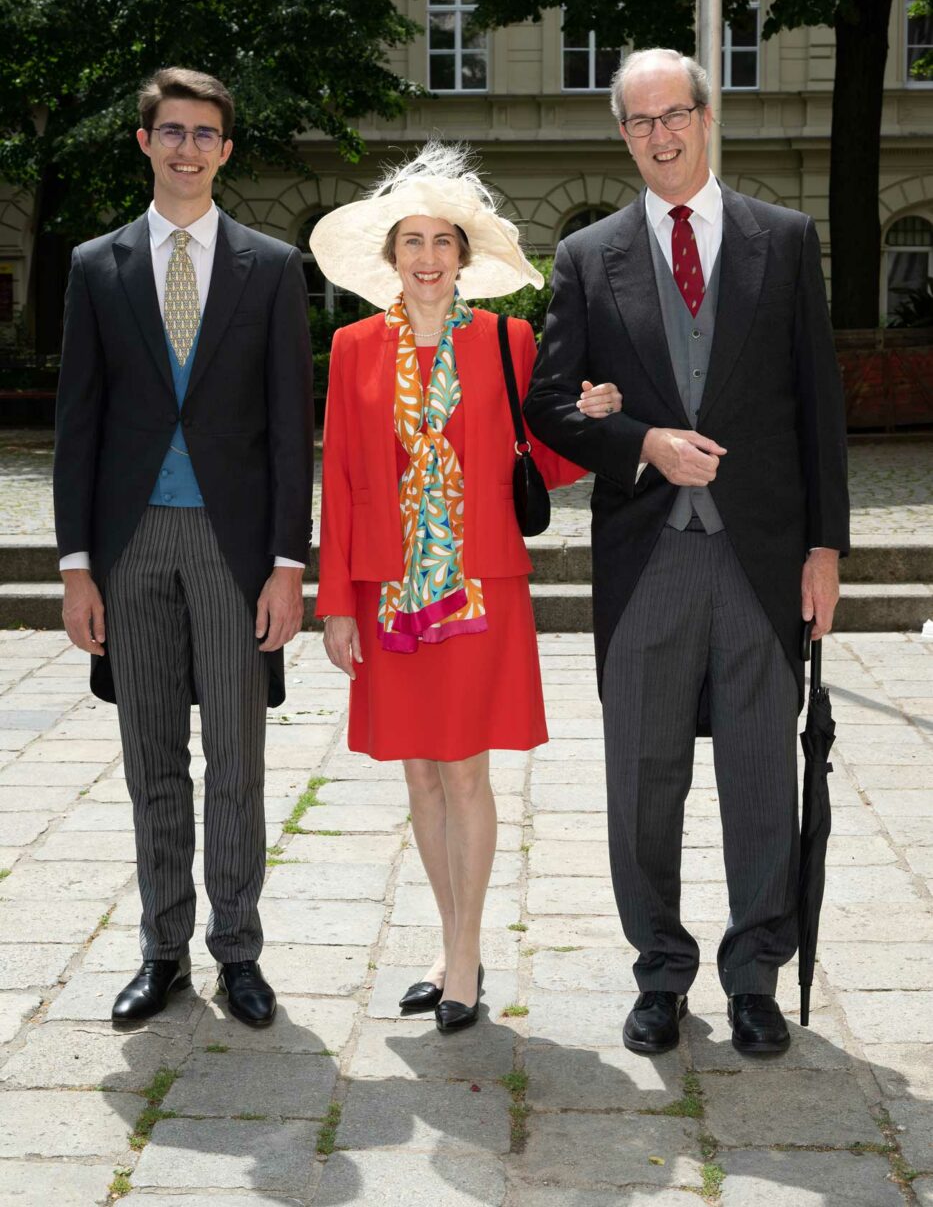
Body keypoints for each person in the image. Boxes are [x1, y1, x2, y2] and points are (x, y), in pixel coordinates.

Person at [524, 49, 849, 1057]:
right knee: (643, 778)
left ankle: (754, 970)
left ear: (707, 118)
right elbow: (550, 403)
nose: (661, 135)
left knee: (762, 776)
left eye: (676, 115)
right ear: (622, 134)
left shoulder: (784, 241)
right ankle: (660, 971)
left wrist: (827, 546)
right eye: (640, 122)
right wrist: (642, 444)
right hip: (645, 558)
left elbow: (818, 407)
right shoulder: (589, 256)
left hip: (759, 555)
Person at [311, 143, 618, 1032]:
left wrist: (590, 420)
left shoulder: (505, 340)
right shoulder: (351, 347)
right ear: (390, 256)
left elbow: (546, 458)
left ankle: (464, 958)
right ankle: (452, 949)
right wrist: (335, 602)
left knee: (467, 774)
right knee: (419, 779)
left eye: (442, 240)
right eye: (411, 240)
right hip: (387, 590)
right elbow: (341, 478)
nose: (427, 257)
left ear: (464, 255)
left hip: (480, 582)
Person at [53, 67, 314, 1028]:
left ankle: (237, 951)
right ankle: (162, 950)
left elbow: (291, 429)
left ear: (226, 150)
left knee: (236, 759)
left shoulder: (271, 267)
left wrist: (291, 564)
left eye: (206, 134)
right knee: (151, 755)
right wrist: (76, 566)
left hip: (234, 549)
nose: (188, 148)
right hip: (128, 551)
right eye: (172, 131)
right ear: (145, 142)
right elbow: (78, 427)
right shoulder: (95, 266)